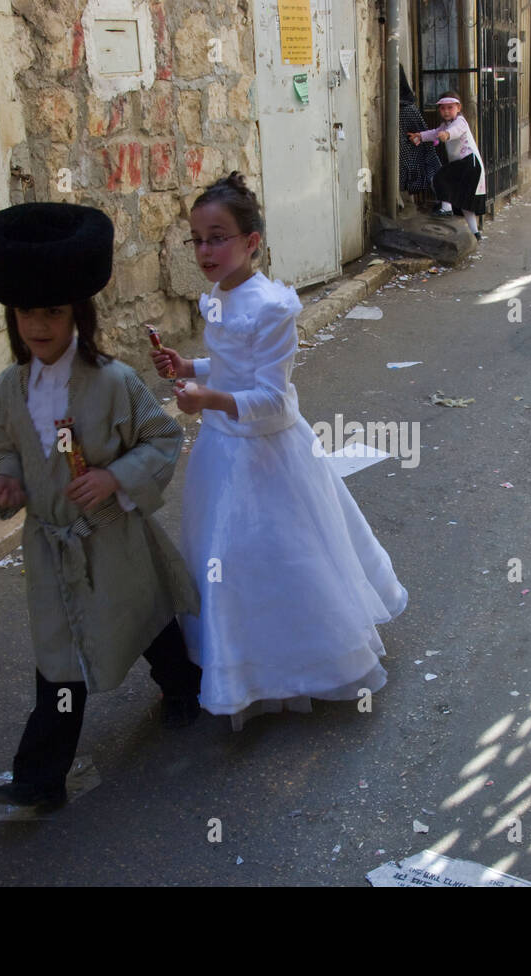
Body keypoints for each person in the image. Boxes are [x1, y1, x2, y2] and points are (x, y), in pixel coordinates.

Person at [151, 173, 408, 731]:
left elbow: (270, 396)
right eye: (196, 239)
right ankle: (241, 663)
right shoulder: (217, 296)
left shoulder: (272, 307)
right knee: (229, 558)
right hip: (223, 449)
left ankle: (303, 660)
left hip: (268, 453)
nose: (204, 251)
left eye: (217, 237)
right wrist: (188, 367)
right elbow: (229, 364)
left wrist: (206, 399)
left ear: (252, 241)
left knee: (280, 553)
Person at [0, 202, 202, 812]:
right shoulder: (8, 389)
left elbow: (162, 438)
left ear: (79, 313)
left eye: (52, 311)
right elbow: (4, 449)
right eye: (27, 311)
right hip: (52, 550)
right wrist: (7, 482)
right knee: (60, 658)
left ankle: (182, 686)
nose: (38, 325)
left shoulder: (113, 383)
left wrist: (113, 479)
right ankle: (41, 778)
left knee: (146, 618)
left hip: (114, 538)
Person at [409, 91, 487, 239]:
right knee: (465, 202)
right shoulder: (445, 124)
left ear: (458, 108)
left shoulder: (460, 122)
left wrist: (447, 135)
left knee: (440, 177)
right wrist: (420, 136)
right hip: (464, 165)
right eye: (443, 108)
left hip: (469, 163)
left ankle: (446, 208)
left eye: (450, 107)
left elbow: (454, 131)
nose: (446, 111)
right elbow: (435, 133)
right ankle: (476, 233)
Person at [398, 66, 442, 208]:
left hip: (414, 151)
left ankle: (445, 205)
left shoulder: (406, 109)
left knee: (433, 172)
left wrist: (420, 138)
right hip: (414, 151)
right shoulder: (407, 106)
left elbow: (422, 133)